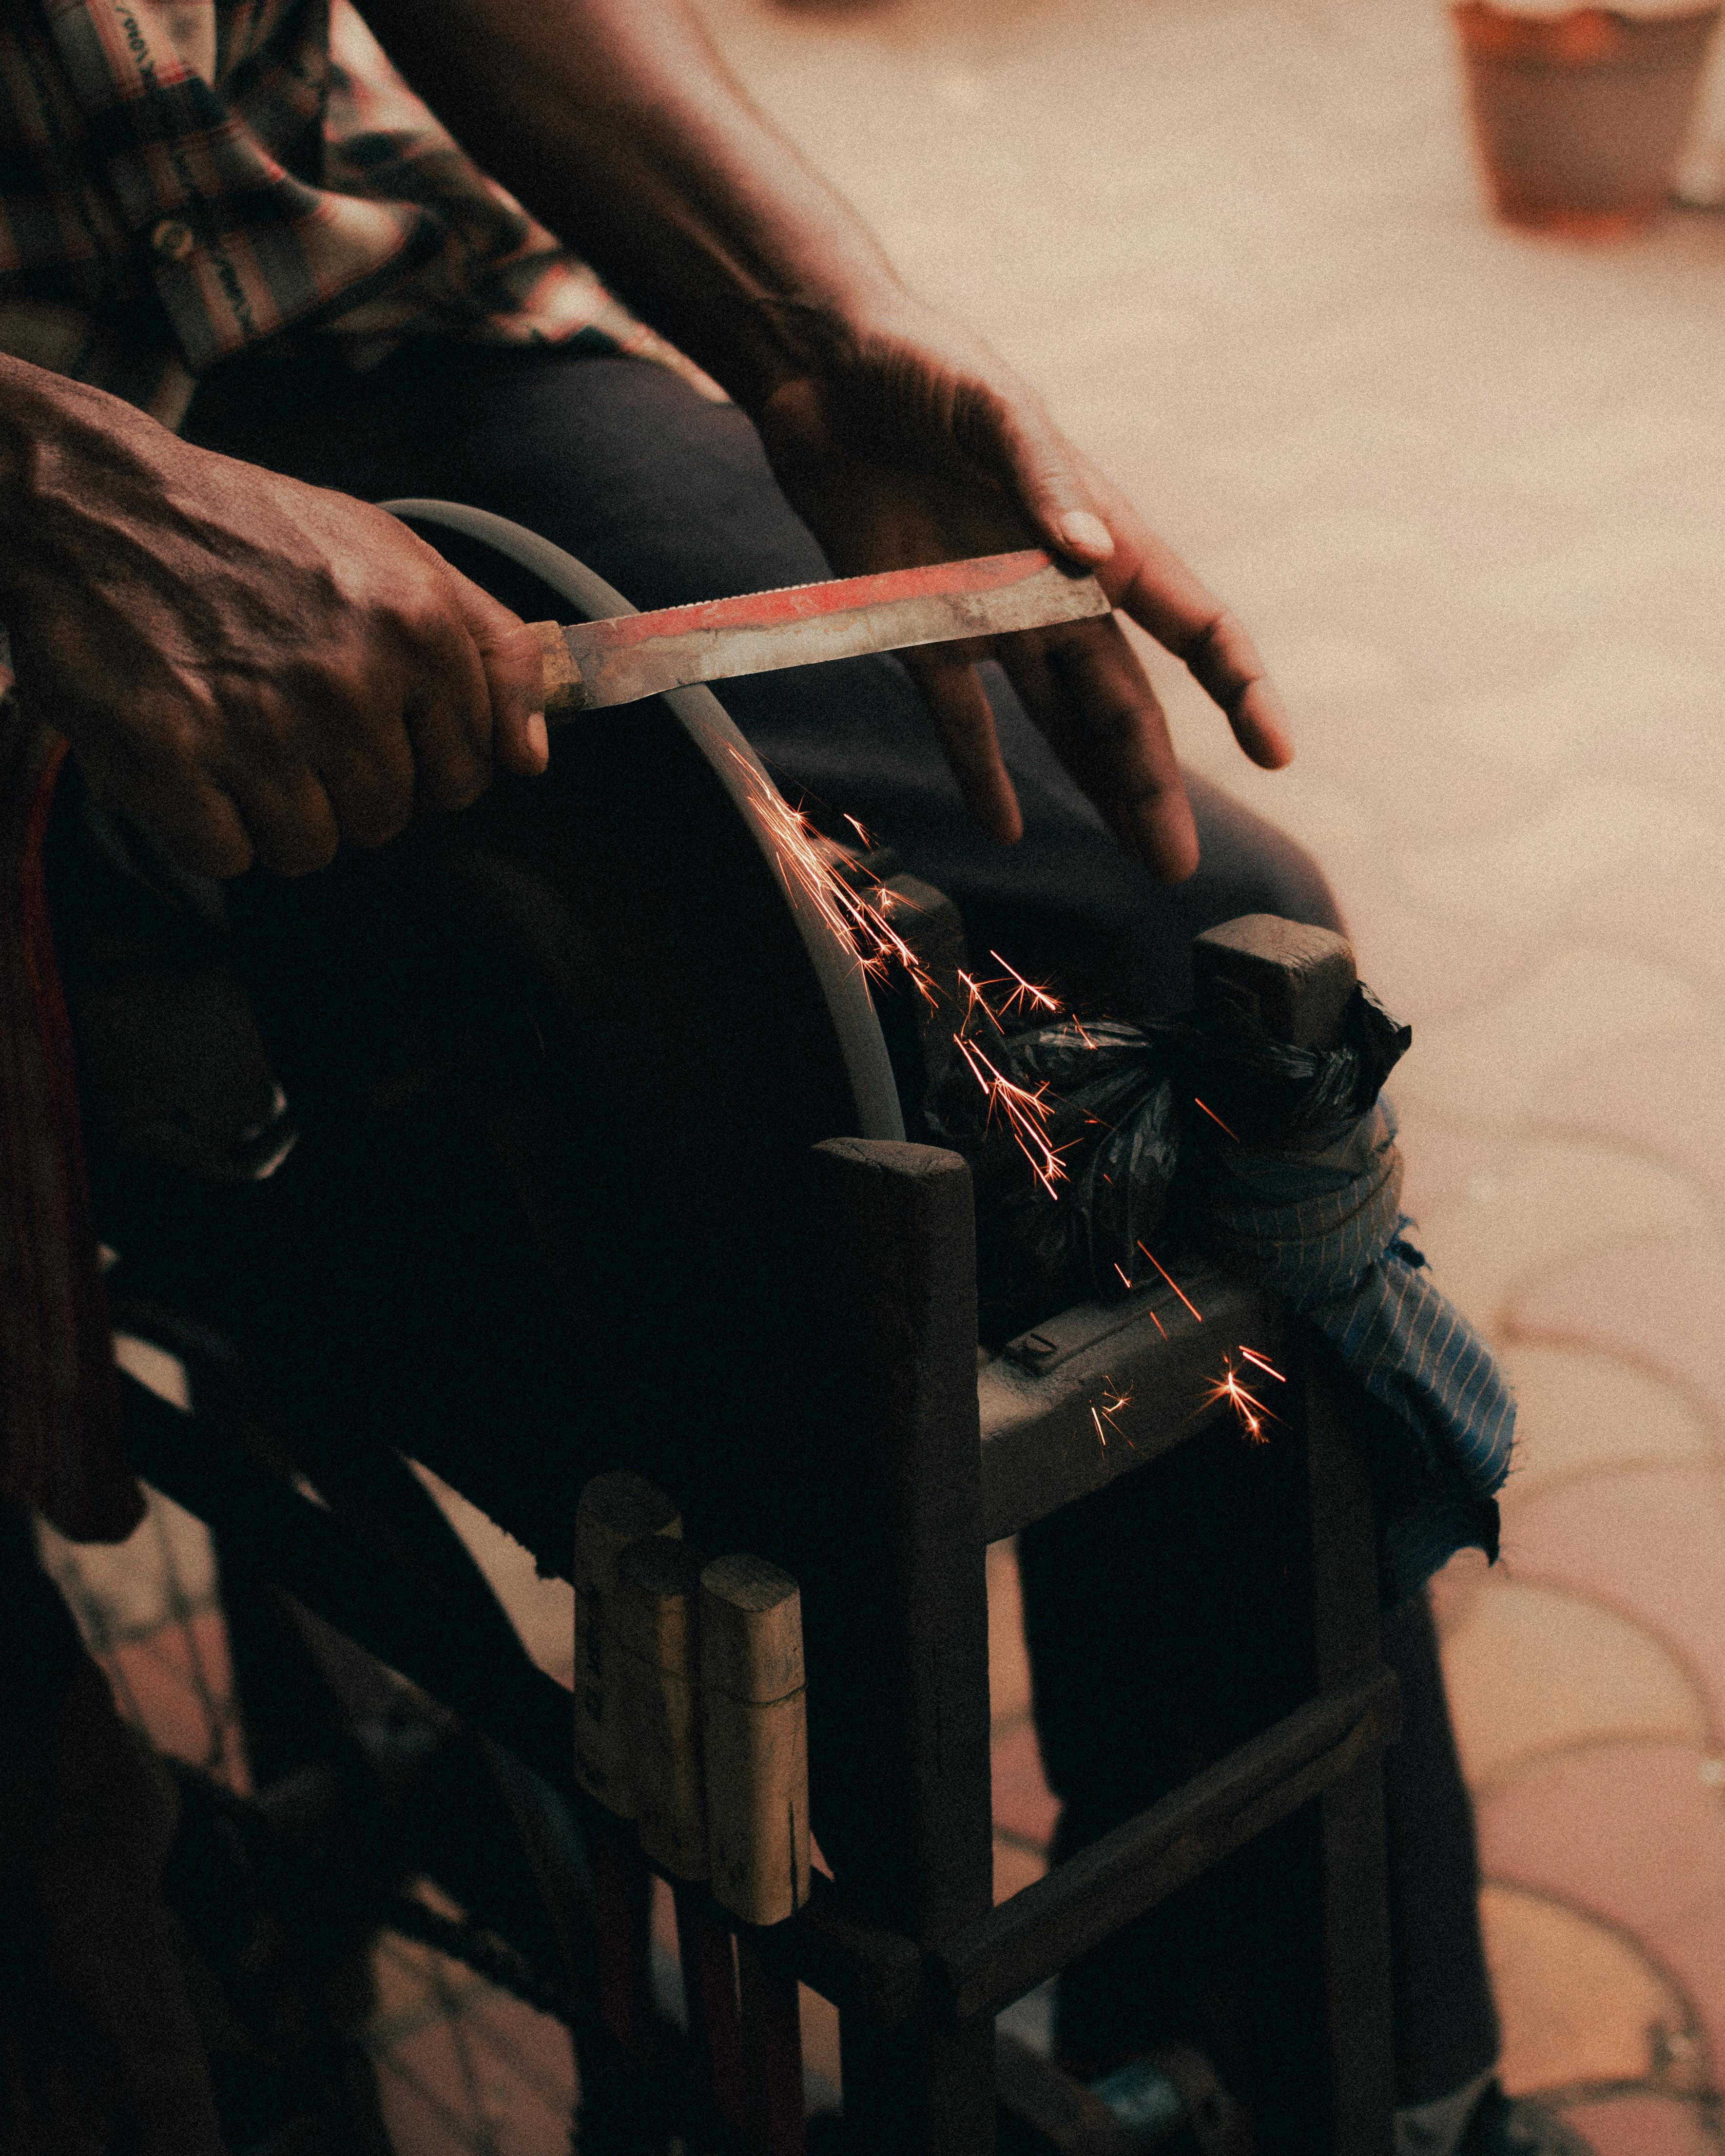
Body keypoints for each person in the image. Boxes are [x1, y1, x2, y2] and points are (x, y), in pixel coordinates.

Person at [0, 4, 1575, 2152]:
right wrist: (43, 484)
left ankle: (1344, 2079)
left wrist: (814, 323)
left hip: (356, 314)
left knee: (1181, 994)